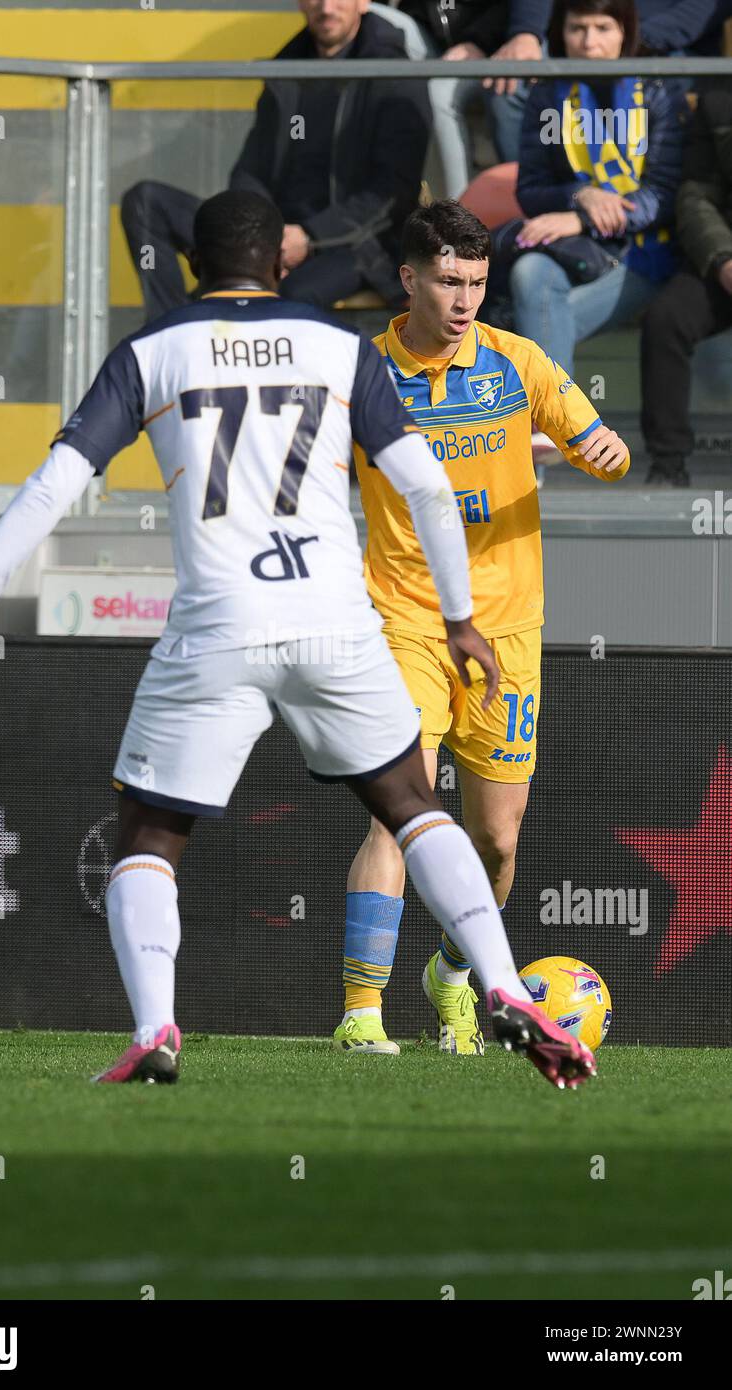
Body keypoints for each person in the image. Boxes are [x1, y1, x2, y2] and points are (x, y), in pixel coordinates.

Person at [0, 191, 596, 1093]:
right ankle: (500, 985)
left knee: (148, 830)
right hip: (338, 620)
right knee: (413, 805)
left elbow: (54, 487)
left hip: (218, 624)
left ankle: (155, 1027)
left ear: (190, 267)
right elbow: (430, 491)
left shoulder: (154, 350)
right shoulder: (340, 346)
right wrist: (458, 618)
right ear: (284, 263)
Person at [333, 199, 629, 1058]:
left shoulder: (517, 362)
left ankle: (453, 973)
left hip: (506, 632)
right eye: (450, 282)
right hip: (406, 621)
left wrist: (603, 451)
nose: (465, 299)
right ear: (410, 280)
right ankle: (360, 1015)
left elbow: (589, 434)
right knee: (399, 813)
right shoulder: (366, 374)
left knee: (496, 841)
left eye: (477, 282)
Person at [121, 0, 430, 319]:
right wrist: (260, 233)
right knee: (147, 201)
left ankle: (207, 326)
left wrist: (310, 236)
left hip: (357, 245)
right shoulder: (286, 67)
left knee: (285, 298)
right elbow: (251, 171)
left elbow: (392, 192)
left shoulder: (395, 73)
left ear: (363, 3)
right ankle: (172, 331)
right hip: (272, 235)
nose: (326, 7)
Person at [503, 0, 686, 381]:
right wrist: (580, 195)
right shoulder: (546, 94)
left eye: (603, 28)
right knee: (529, 271)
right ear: (561, 33)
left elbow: (665, 196)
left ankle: (552, 429)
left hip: (645, 250)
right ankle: (563, 429)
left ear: (625, 32)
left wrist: (580, 217)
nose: (589, 42)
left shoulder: (659, 89)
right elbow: (531, 189)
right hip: (580, 250)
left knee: (538, 324)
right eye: (577, 28)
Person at [640, 78, 732, 486]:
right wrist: (723, 259)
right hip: (724, 259)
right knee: (666, 320)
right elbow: (696, 196)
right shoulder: (718, 100)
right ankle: (668, 464)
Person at [377, 0, 552, 198]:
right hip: (439, 42)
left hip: (503, 40)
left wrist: (489, 39)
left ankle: (459, 209)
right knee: (372, 15)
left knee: (444, 94)